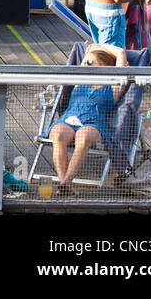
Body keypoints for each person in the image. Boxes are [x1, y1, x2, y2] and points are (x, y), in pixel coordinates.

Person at [47, 44, 127, 194]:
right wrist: (90, 50)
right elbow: (88, 51)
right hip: (69, 118)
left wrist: (98, 45)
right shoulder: (81, 79)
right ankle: (65, 183)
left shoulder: (113, 86)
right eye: (83, 62)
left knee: (83, 138)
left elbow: (121, 53)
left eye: (89, 63)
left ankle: (66, 183)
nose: (83, 65)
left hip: (93, 122)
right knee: (57, 135)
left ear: (104, 66)